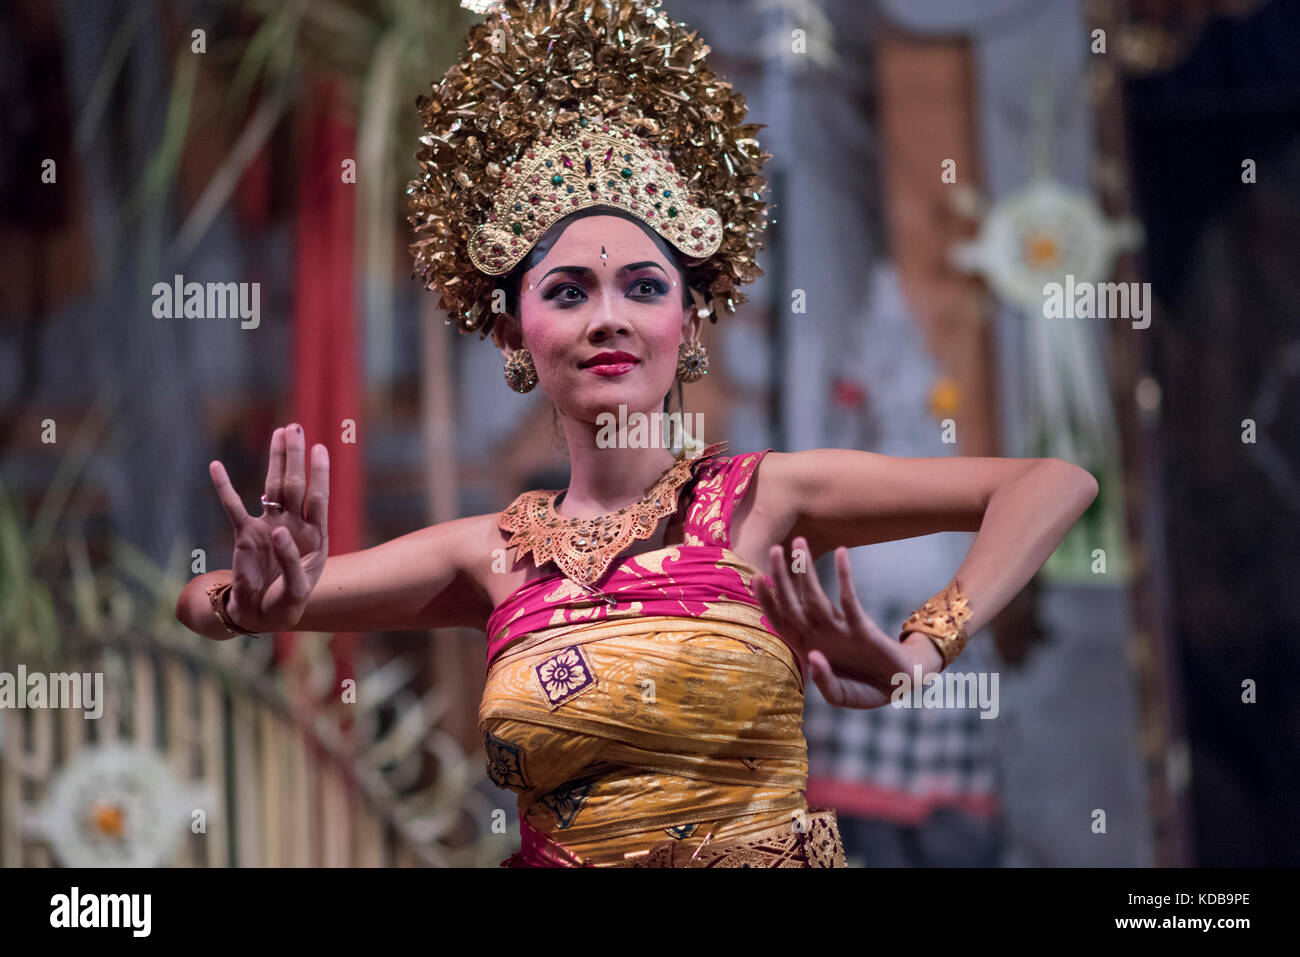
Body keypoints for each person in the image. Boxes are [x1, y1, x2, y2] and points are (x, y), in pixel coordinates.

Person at [175, 0, 1097, 867]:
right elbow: (204, 602)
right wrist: (263, 599)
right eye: (569, 290)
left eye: (645, 287)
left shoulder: (761, 499)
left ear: (689, 327)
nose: (608, 316)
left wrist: (924, 649)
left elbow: (1053, 482)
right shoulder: (492, 554)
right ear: (512, 332)